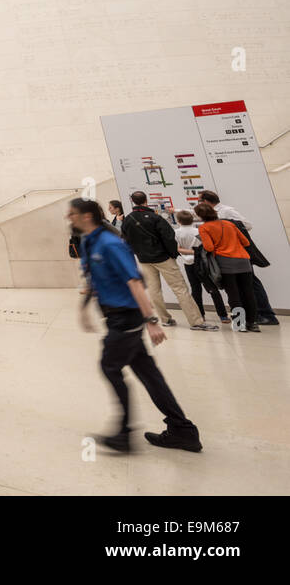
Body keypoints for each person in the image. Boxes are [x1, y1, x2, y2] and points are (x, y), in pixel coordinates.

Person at [69, 198, 202, 453]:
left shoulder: (111, 243)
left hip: (126, 318)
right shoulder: (89, 242)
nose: (69, 219)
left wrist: (151, 320)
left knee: (110, 367)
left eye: (72, 214)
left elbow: (134, 283)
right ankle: (182, 430)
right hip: (114, 316)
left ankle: (124, 434)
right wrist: (84, 308)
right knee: (148, 373)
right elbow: (92, 278)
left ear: (86, 216)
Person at [120, 191, 214, 330]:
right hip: (163, 258)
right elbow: (169, 237)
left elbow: (126, 240)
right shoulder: (155, 217)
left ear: (133, 201)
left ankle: (165, 319)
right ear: (146, 200)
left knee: (154, 290)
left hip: (144, 260)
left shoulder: (127, 220)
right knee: (180, 289)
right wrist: (173, 254)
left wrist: (138, 253)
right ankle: (196, 322)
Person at [197, 190, 278, 326]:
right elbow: (245, 241)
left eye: (200, 201)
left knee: (238, 291)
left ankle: (259, 317)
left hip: (226, 261)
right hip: (242, 258)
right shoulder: (227, 223)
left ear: (205, 202)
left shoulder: (225, 214)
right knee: (246, 290)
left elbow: (247, 226)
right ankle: (252, 321)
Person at [194, 202, 258, 332]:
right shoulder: (230, 224)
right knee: (248, 292)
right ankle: (253, 323)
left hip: (226, 264)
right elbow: (245, 242)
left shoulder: (204, 228)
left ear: (201, 216)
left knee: (234, 294)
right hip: (244, 262)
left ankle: (240, 324)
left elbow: (209, 247)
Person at [174, 209, 227, 324]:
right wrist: (197, 252)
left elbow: (177, 249)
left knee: (195, 290)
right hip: (203, 263)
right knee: (212, 289)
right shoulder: (198, 230)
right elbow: (207, 247)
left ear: (178, 221)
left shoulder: (177, 233)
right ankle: (223, 315)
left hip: (189, 264)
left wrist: (191, 252)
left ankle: (200, 315)